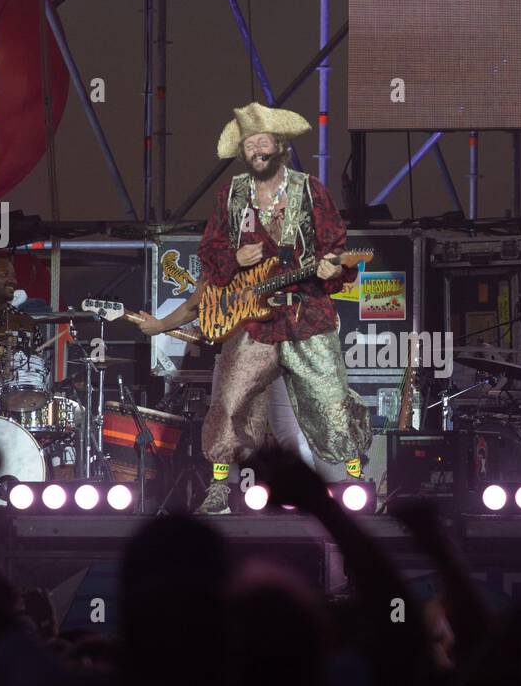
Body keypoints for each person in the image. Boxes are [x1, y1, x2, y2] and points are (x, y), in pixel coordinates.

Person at [191, 102, 371, 514]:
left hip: (306, 314)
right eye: (249, 143)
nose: (256, 149)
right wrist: (235, 260)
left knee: (330, 399)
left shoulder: (311, 190)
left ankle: (357, 481)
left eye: (262, 141)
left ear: (279, 145)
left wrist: (330, 267)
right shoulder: (231, 196)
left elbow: (335, 247)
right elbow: (209, 252)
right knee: (229, 400)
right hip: (254, 320)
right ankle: (219, 489)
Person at [139, 275, 317, 470]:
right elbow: (197, 304)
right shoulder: (222, 257)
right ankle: (227, 495)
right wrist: (161, 325)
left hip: (279, 350)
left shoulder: (285, 257)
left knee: (287, 431)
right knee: (229, 429)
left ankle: (306, 494)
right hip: (242, 354)